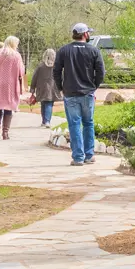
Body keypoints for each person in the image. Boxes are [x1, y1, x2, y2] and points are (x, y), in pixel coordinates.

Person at [54, 22, 106, 166]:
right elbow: (101, 72)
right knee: (88, 123)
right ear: (85, 34)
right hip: (87, 93)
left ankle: (78, 157)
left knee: (74, 124)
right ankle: (89, 155)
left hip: (70, 93)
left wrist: (61, 87)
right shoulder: (94, 51)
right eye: (88, 32)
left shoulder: (64, 51)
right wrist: (93, 86)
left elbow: (56, 71)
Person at [0, 36, 27, 140]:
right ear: (13, 44)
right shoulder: (16, 56)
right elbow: (21, 72)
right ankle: (5, 133)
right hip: (11, 85)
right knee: (9, 107)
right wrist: (24, 85)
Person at [29, 47, 60, 126]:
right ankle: (47, 121)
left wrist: (32, 88)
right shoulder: (56, 65)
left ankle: (44, 121)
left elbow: (34, 77)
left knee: (43, 104)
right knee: (49, 104)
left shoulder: (40, 66)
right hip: (53, 88)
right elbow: (60, 76)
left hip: (41, 88)